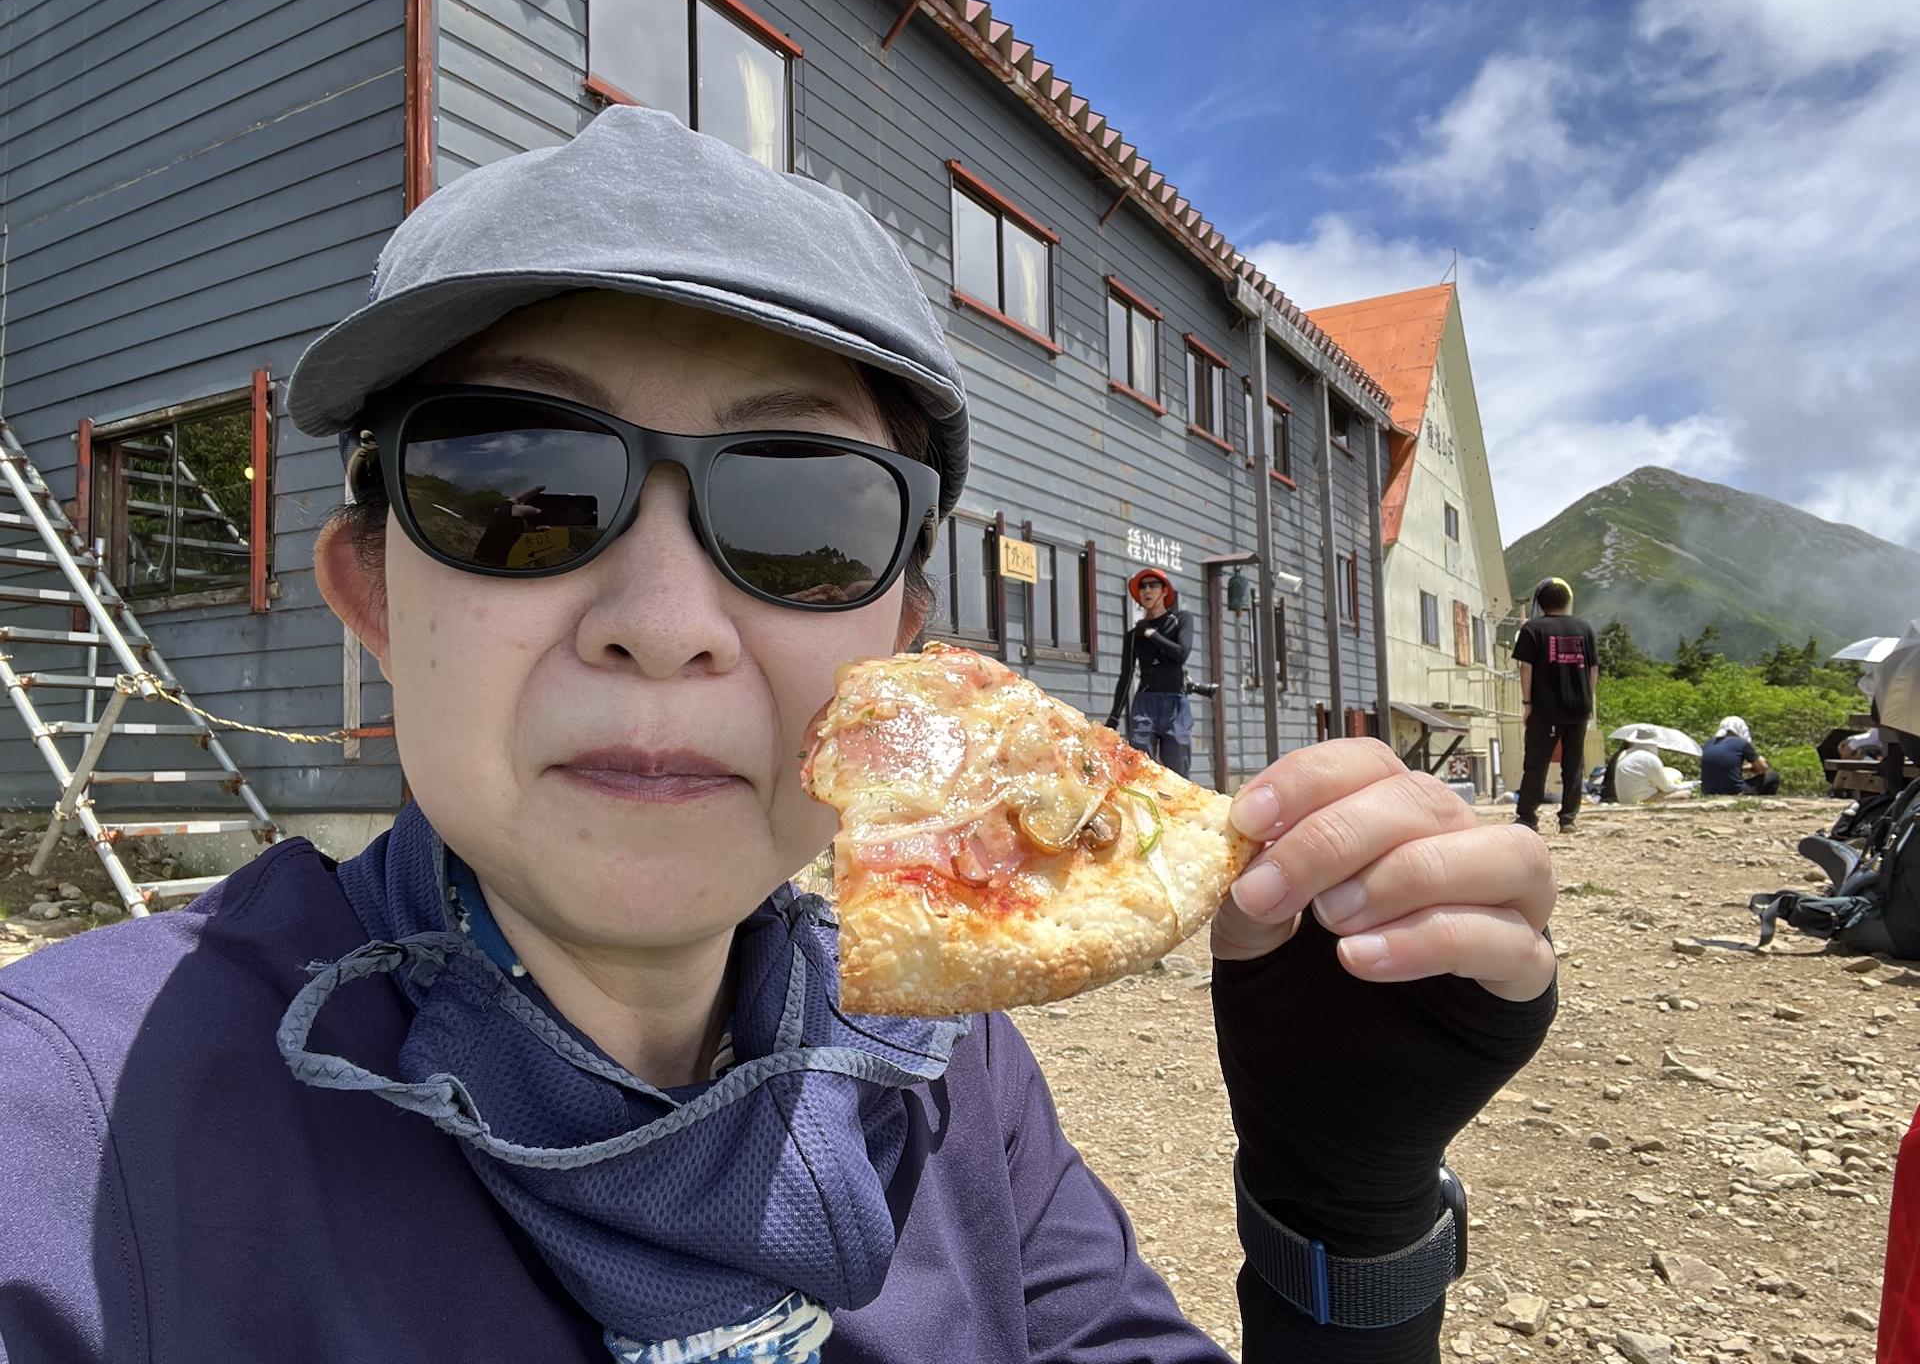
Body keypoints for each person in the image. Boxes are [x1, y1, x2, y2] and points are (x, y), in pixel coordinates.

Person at [0, 108, 1558, 1363]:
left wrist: (1340, 1219)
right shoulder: (72, 1126)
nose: (666, 616)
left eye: (803, 509)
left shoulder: (948, 1078)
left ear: (896, 642)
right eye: (514, 486)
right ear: (369, 592)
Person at [1512, 577, 1597, 834]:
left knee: (1536, 762)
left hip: (1545, 707)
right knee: (1574, 764)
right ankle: (1568, 819)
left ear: (1540, 602)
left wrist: (1527, 703)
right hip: (1579, 707)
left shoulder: (1531, 629)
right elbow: (1593, 670)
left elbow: (1526, 668)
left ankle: (1528, 817)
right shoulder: (1584, 629)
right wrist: (1587, 699)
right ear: (1567, 601)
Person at [1105, 566, 1195, 779]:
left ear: (1164, 591)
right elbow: (1126, 676)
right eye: (1142, 587)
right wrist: (1114, 717)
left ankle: (1180, 811)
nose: (1147, 590)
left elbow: (1181, 653)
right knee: (1141, 767)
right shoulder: (1134, 636)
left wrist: (1152, 634)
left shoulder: (1180, 620)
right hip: (1145, 704)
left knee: (1178, 770)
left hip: (1175, 702)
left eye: (1153, 585)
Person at [1700, 716, 1781, 796]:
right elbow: (1763, 768)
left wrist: (1745, 769)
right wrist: (1760, 760)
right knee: (1772, 776)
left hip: (1708, 791)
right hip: (1735, 791)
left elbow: (1723, 767)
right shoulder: (1741, 743)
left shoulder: (1709, 743)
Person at [1608, 743, 1692, 805]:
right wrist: (1689, 785)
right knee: (1686, 794)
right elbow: (1667, 788)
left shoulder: (1623, 755)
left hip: (1623, 800)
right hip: (1642, 800)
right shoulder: (1650, 759)